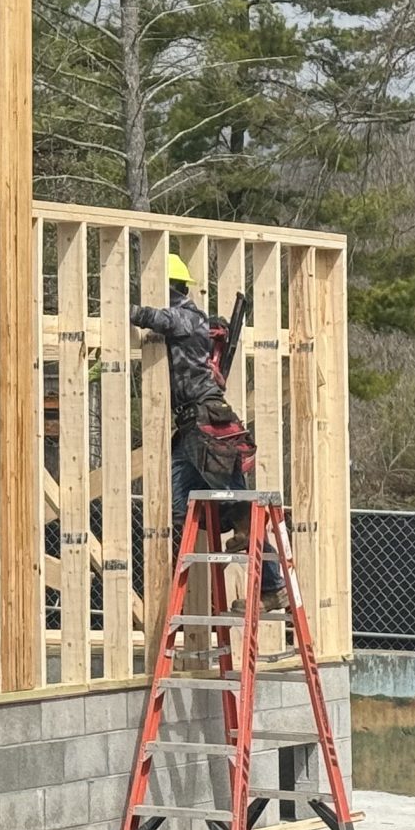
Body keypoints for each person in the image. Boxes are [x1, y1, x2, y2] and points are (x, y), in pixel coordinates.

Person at [130, 254, 296, 623]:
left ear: (170, 287)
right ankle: (182, 589)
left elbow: (160, 318)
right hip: (190, 428)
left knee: (241, 507)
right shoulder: (185, 323)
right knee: (179, 509)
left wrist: (127, 311)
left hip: (207, 422)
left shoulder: (189, 317)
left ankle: (272, 586)